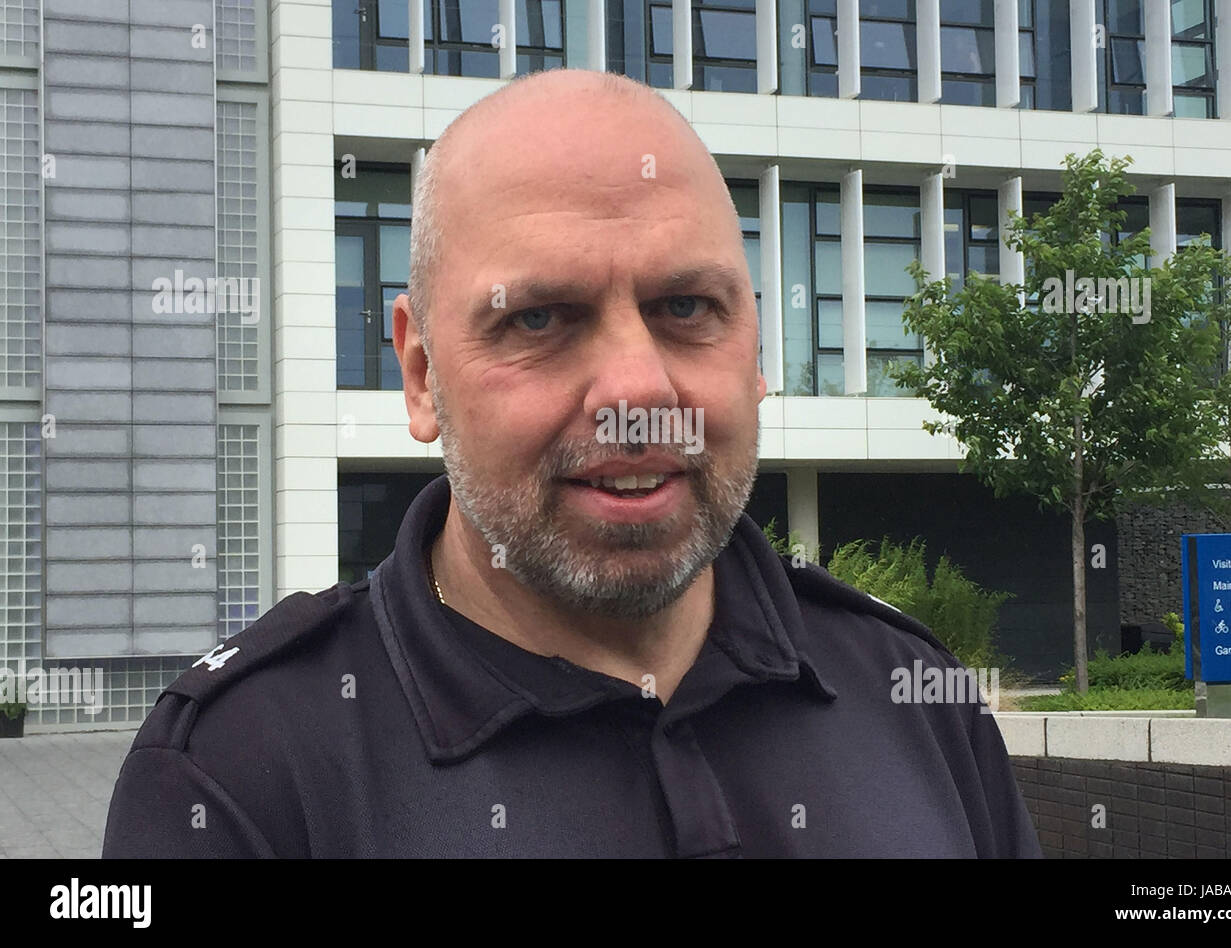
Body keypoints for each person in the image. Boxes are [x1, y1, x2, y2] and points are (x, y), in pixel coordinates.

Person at [103, 69, 1041, 858]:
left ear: (755, 350)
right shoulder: (233, 778)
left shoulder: (916, 697)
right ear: (423, 374)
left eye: (686, 307)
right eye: (540, 318)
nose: (636, 392)